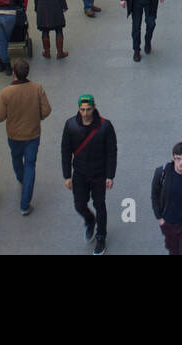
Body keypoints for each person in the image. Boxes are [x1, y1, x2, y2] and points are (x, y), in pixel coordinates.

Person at [0, 58, 52, 215]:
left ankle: (21, 178)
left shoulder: (6, 93)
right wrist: (35, 116)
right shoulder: (37, 88)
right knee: (30, 164)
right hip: (33, 134)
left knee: (16, 158)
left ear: (13, 73)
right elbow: (46, 111)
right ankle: (25, 205)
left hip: (14, 135)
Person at [61, 94, 117, 255]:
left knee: (100, 204)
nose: (85, 113)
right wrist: (67, 175)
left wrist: (110, 175)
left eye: (88, 109)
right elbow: (65, 151)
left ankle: (101, 237)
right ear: (78, 109)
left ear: (94, 108)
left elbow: (112, 152)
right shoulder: (70, 125)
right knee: (79, 204)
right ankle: (89, 219)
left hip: (99, 174)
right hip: (80, 173)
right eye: (82, 110)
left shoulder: (105, 126)